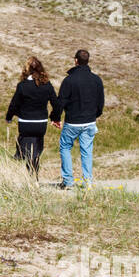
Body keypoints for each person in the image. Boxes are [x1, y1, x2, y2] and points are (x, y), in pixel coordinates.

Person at [51, 48, 105, 189]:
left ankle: (68, 181)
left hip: (73, 121)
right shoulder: (96, 80)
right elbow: (101, 103)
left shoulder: (69, 80)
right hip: (90, 121)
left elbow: (60, 102)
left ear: (76, 61)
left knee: (65, 147)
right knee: (87, 150)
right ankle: (88, 182)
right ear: (88, 61)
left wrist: (55, 118)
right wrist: (94, 115)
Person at [5, 56, 57, 178]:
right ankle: (34, 169)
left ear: (26, 70)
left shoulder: (22, 86)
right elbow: (56, 103)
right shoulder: (47, 85)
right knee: (37, 148)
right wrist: (55, 117)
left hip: (26, 123)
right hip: (41, 123)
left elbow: (14, 104)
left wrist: (9, 116)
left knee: (28, 148)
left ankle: (27, 167)